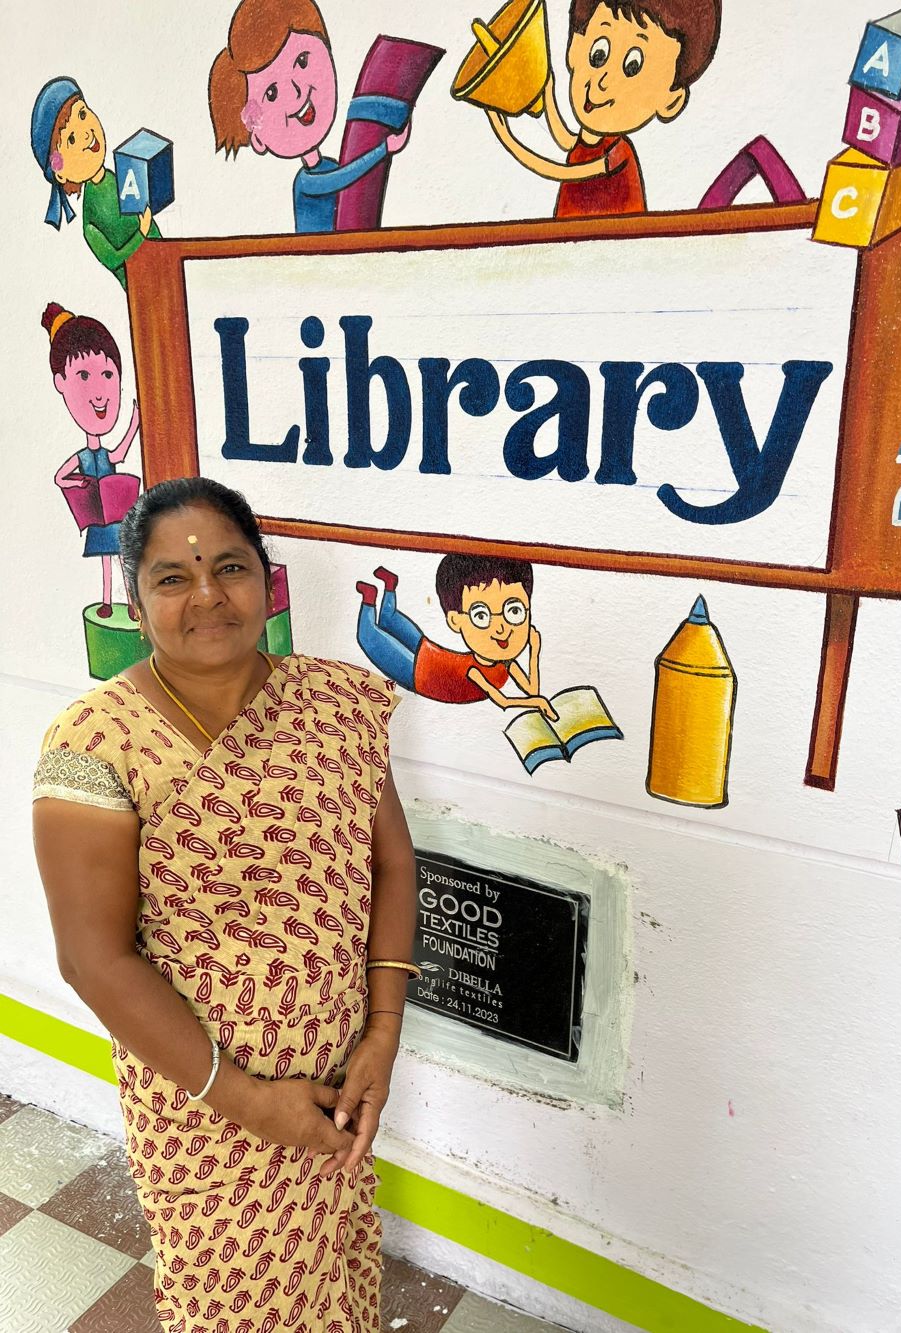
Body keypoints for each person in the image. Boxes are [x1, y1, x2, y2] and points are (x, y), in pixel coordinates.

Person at [32, 477, 416, 1332]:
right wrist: (246, 1098)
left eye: (230, 568)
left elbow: (391, 861)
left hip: (338, 1081)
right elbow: (93, 959)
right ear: (135, 604)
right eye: (172, 578)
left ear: (268, 584)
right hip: (203, 1104)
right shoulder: (94, 743)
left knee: (337, 1285)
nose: (207, 596)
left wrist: (383, 1036)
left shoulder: (336, 705)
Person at [484, 0, 721, 218]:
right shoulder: (593, 139)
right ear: (575, 49)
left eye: (632, 66)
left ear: (671, 101)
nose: (603, 80)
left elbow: (562, 172)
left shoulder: (618, 154)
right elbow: (567, 140)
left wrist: (509, 139)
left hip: (612, 247)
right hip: (572, 241)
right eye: (598, 55)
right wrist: (547, 88)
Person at [208, 0, 412, 234]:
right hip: (315, 263)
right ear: (257, 139)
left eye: (302, 61)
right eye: (271, 93)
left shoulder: (329, 165)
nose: (296, 91)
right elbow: (342, 179)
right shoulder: (306, 181)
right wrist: (383, 148)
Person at [356, 557, 556, 717]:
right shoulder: (477, 671)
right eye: (481, 616)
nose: (501, 629)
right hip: (422, 665)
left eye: (514, 611)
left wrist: (534, 652)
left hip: (423, 664)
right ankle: (376, 594)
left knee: (380, 627)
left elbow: (532, 690)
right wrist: (536, 702)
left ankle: (381, 591)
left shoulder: (506, 663)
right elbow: (503, 701)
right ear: (455, 620)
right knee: (374, 633)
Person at [42, 302, 140, 618]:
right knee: (106, 562)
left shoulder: (103, 455)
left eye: (108, 374)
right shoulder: (83, 456)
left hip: (116, 515)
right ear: (61, 383)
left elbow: (120, 454)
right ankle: (108, 603)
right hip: (99, 516)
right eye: (83, 375)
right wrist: (79, 482)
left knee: (124, 556)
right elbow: (59, 477)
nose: (99, 393)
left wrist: (135, 424)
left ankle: (133, 604)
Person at [30, 77, 161, 289]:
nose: (85, 133)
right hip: (141, 287)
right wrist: (141, 233)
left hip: (165, 257)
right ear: (60, 173)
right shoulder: (90, 223)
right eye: (71, 139)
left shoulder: (119, 176)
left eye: (82, 114)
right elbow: (113, 259)